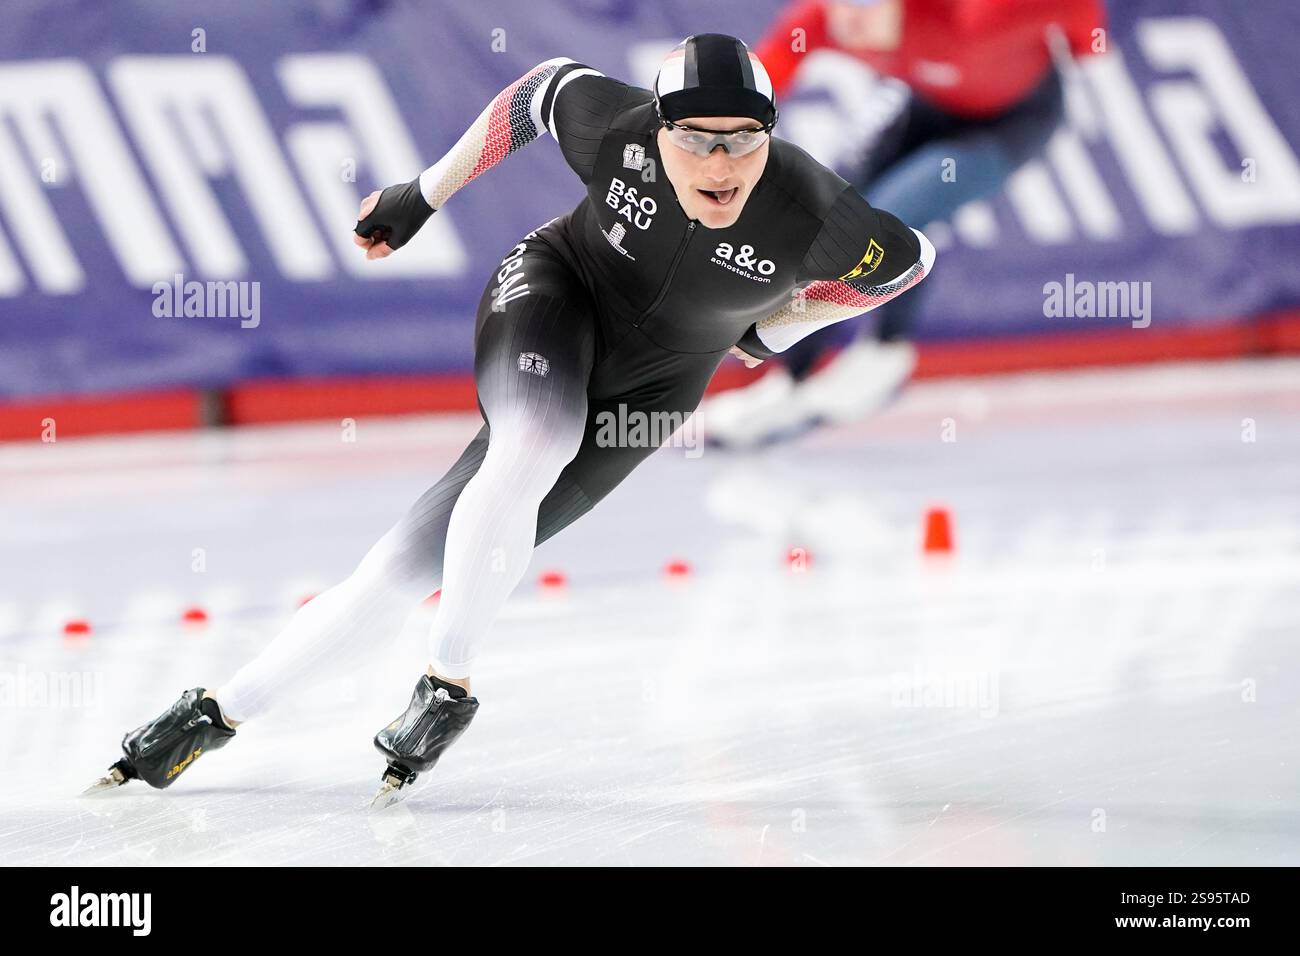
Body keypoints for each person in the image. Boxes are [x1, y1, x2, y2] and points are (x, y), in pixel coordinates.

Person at [85, 33, 935, 803]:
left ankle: (213, 714)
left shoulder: (818, 212)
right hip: (555, 293)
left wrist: (777, 330)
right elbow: (535, 92)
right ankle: (447, 688)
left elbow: (909, 262)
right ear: (657, 127)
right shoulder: (619, 131)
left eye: (743, 138)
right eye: (695, 137)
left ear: (772, 133)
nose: (721, 162)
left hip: (660, 385)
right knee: (534, 440)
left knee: (405, 566)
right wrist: (421, 193)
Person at [703, 0, 1105, 448]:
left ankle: (886, 352)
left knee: (887, 218)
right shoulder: (819, 20)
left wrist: (1087, 52)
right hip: (922, 102)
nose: (852, 20)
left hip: (1009, 120)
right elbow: (752, 94)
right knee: (825, 211)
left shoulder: (980, 13)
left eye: (867, 6)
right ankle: (790, 380)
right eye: (842, 6)